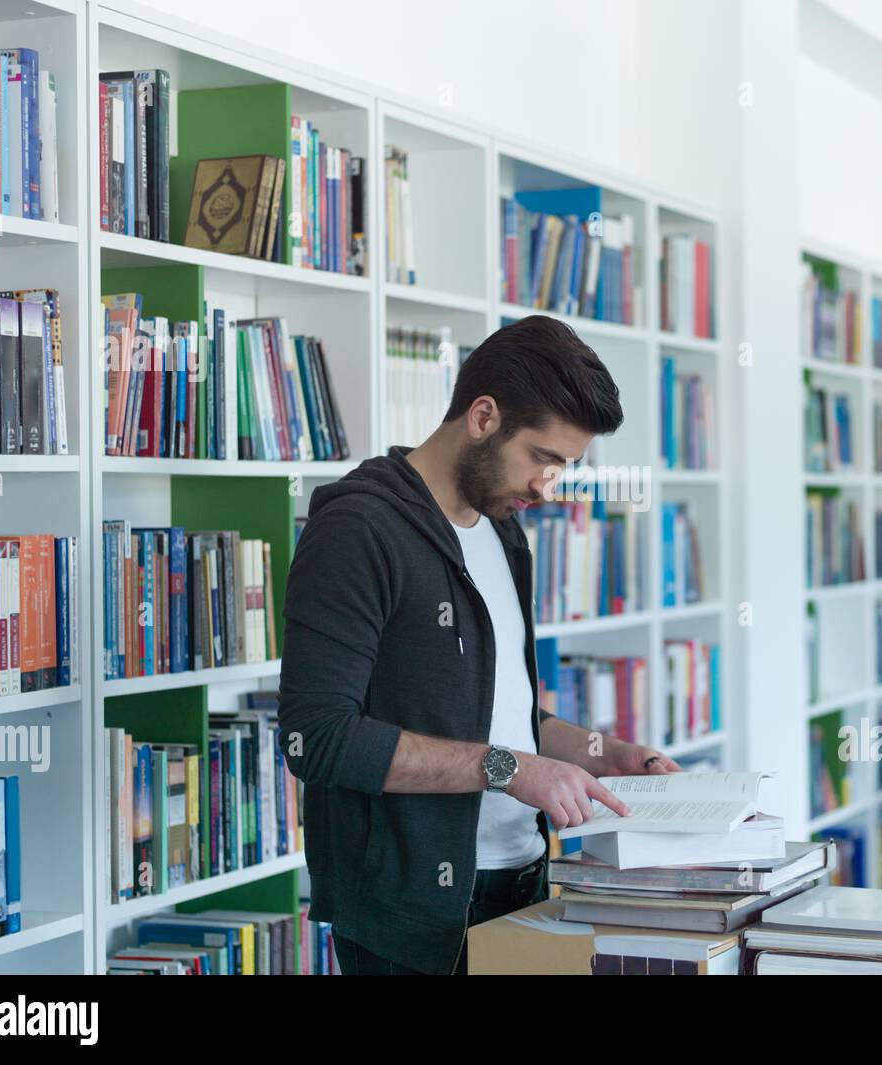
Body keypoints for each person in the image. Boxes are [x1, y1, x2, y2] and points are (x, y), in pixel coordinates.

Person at [277, 315, 682, 975]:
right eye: (543, 459)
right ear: (484, 416)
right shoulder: (357, 531)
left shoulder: (503, 533)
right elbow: (316, 738)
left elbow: (500, 715)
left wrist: (610, 755)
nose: (548, 488)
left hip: (523, 887)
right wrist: (511, 769)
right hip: (411, 917)